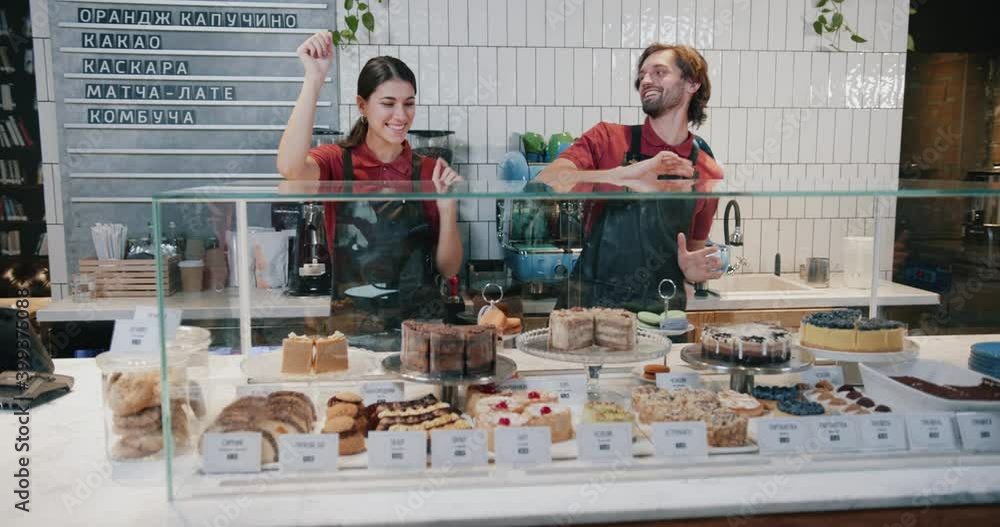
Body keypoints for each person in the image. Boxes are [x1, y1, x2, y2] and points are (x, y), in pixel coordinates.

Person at [277, 32, 463, 325]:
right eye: (388, 103)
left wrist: (448, 208)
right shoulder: (337, 162)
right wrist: (314, 78)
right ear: (362, 106)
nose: (401, 115)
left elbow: (449, 269)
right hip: (352, 321)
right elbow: (290, 168)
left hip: (420, 324)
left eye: (409, 103)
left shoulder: (429, 171)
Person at [536, 43, 725, 311]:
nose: (645, 80)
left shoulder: (707, 171)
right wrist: (621, 176)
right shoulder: (607, 138)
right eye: (642, 74)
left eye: (659, 72)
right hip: (589, 310)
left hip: (660, 317)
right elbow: (546, 182)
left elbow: (692, 252)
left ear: (692, 83)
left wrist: (689, 273)